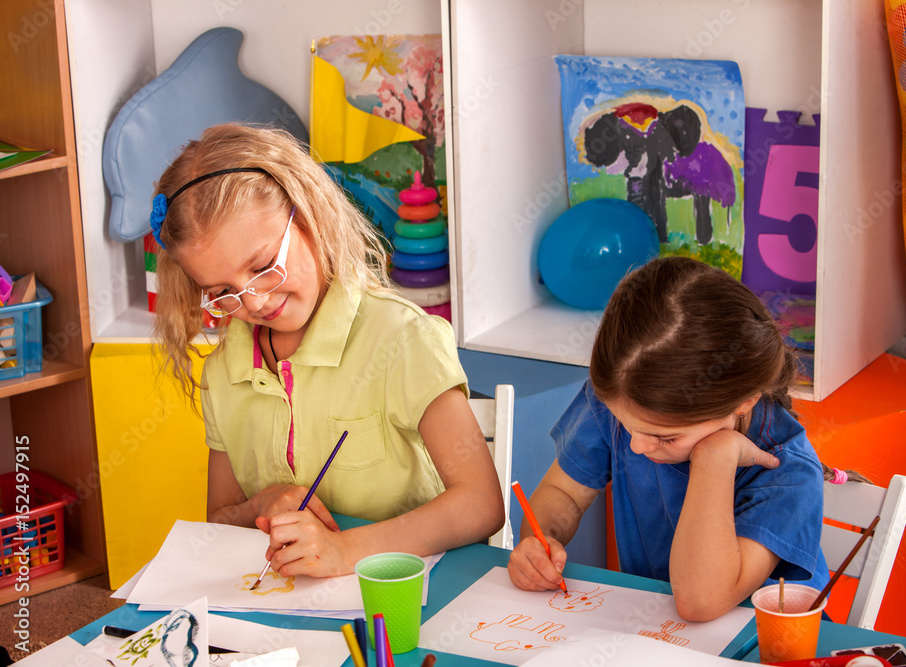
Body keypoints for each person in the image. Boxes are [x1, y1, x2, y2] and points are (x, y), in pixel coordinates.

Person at [150, 123, 504, 578]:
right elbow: (219, 521)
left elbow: (481, 504)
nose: (253, 301)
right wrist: (260, 503)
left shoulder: (400, 339)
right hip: (294, 614)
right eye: (222, 290)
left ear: (309, 214)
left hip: (414, 600)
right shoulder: (225, 374)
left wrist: (342, 551)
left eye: (261, 267)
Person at [508, 256, 834, 622]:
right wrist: (541, 541)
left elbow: (700, 602)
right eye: (626, 426)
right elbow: (563, 493)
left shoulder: (786, 473)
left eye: (665, 438)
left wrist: (715, 458)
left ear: (744, 403)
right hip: (655, 636)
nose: (636, 446)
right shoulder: (627, 403)